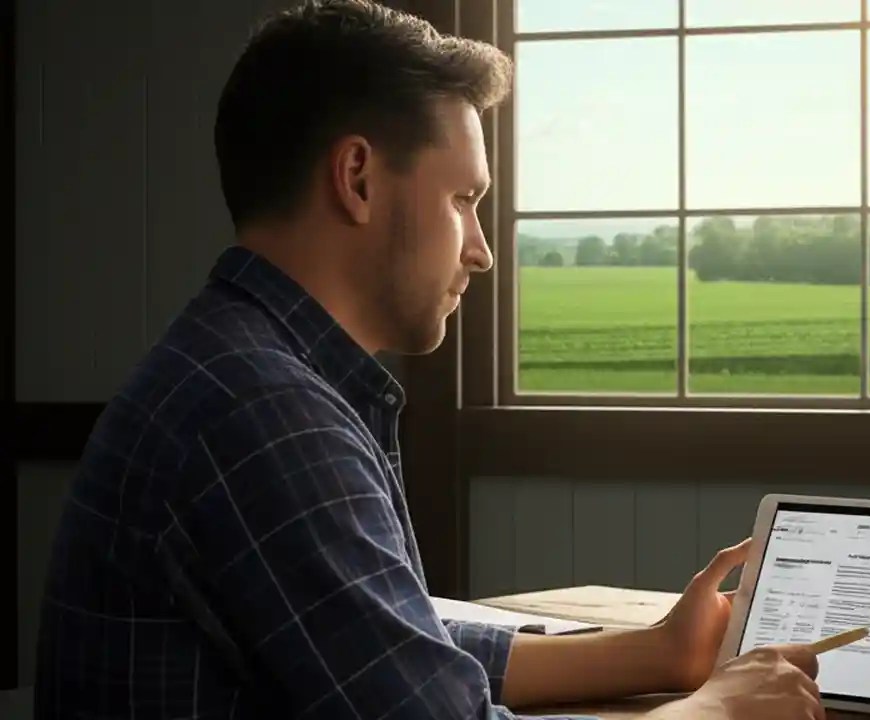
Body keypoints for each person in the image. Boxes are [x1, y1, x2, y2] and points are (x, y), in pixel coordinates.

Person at [32, 1, 826, 718]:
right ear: (358, 180)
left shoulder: (242, 367)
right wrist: (720, 710)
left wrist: (656, 655)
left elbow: (388, 639)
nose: (481, 252)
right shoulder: (264, 413)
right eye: (463, 201)